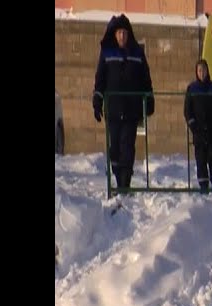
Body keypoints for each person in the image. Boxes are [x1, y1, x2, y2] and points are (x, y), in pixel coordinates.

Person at [92, 14, 154, 195]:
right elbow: (100, 79)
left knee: (128, 147)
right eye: (119, 33)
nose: (122, 36)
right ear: (114, 34)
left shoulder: (137, 53)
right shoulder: (107, 53)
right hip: (113, 109)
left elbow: (146, 79)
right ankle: (118, 179)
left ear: (129, 34)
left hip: (131, 110)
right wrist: (97, 101)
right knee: (115, 148)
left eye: (125, 33)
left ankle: (125, 183)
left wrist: (149, 99)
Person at [183, 59, 212, 193]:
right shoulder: (192, 88)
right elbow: (188, 111)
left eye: (204, 70)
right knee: (201, 159)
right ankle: (204, 187)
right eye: (199, 70)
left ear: (208, 71)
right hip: (199, 131)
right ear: (196, 72)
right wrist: (194, 127)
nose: (202, 73)